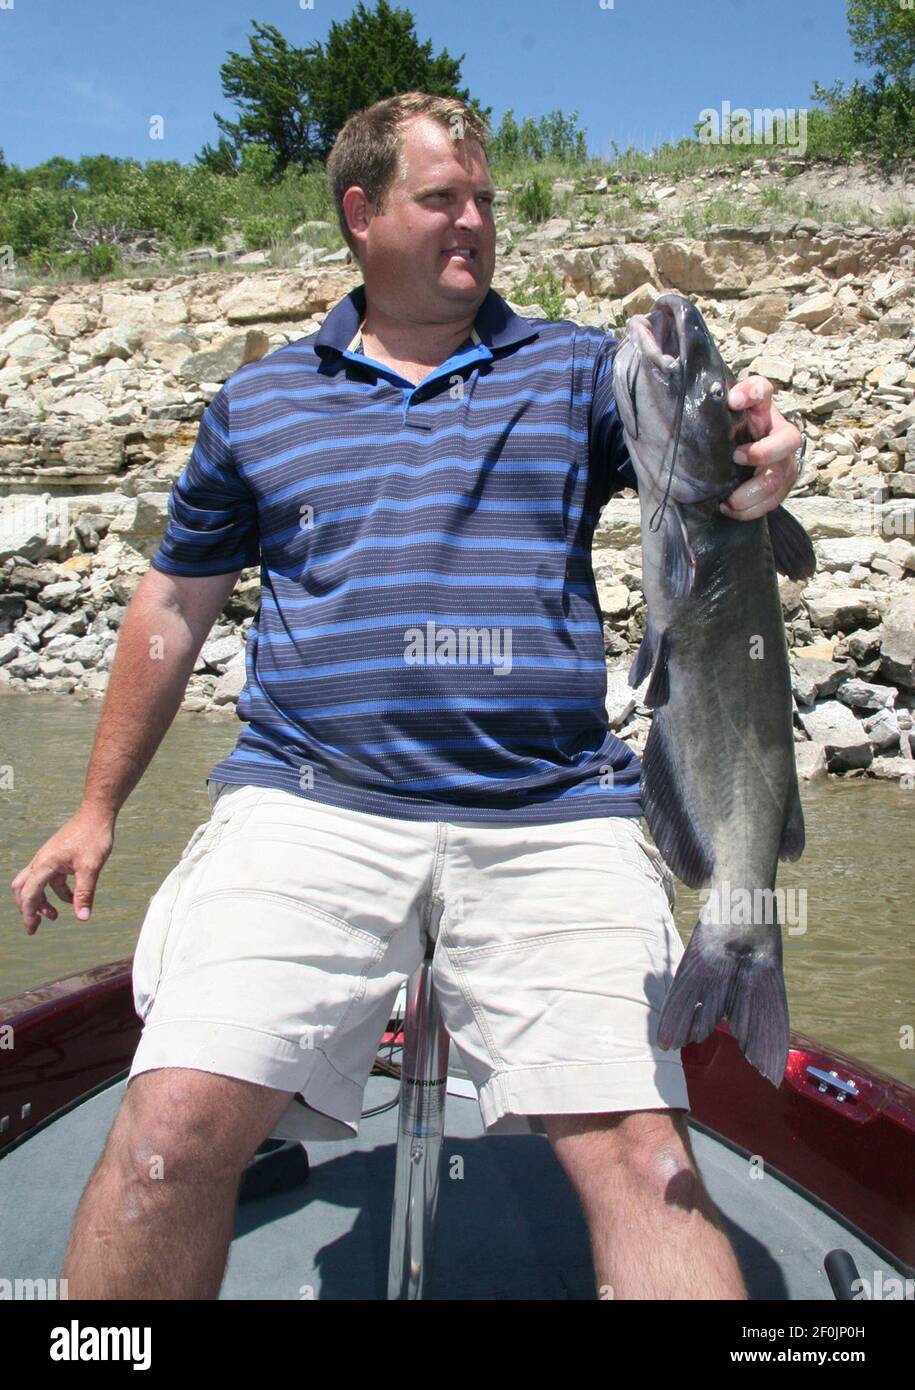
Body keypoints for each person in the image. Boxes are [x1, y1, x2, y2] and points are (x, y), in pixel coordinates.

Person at [11, 91, 803, 1300]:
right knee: (166, 1141)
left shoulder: (582, 373)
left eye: (486, 199)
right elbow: (174, 606)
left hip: (551, 814)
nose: (475, 221)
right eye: (443, 197)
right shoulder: (259, 403)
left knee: (651, 1167)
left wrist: (761, 448)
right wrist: (95, 804)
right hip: (308, 804)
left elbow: (711, 459)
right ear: (361, 213)